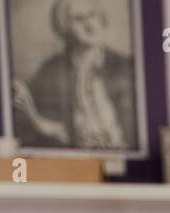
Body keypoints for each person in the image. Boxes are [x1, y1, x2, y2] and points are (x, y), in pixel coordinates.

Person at [13, 0, 136, 150]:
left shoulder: (125, 67)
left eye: (93, 15)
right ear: (64, 27)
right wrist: (40, 124)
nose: (90, 25)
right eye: (79, 19)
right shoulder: (51, 71)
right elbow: (28, 128)